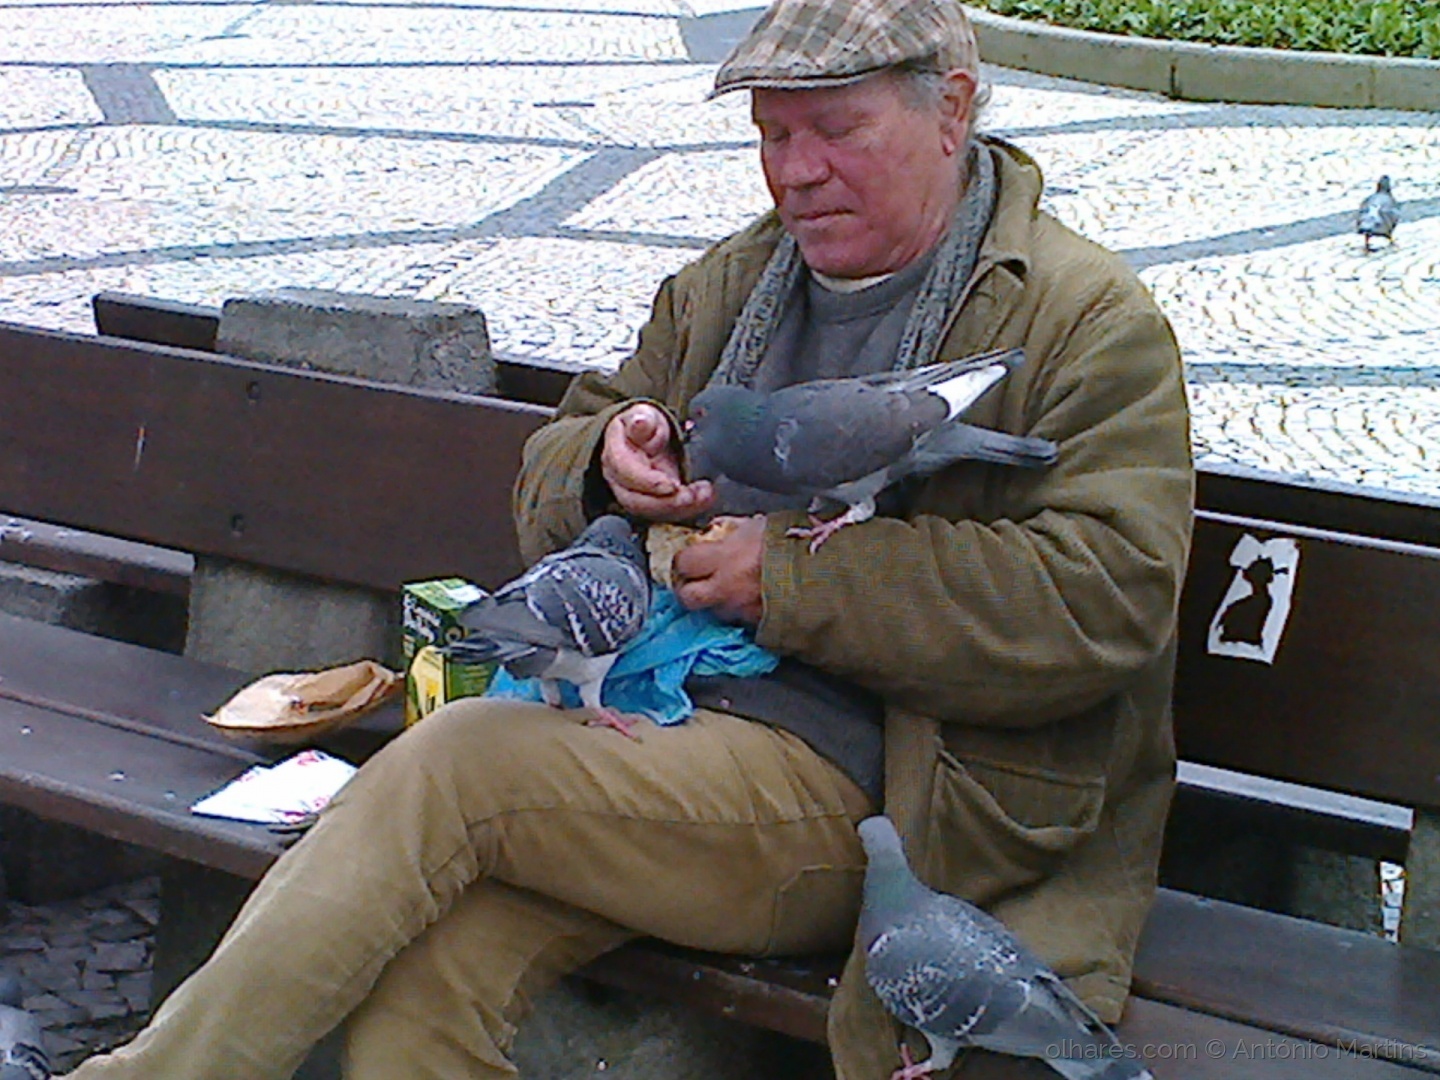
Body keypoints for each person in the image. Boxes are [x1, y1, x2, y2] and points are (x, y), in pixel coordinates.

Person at [53, 0, 1192, 1074]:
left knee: (456, 762)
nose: (796, 173)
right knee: (429, 987)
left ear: (953, 108)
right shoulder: (740, 284)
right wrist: (611, 461)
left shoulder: (1082, 324)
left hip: (910, 806)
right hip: (661, 742)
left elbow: (1107, 603)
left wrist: (785, 582)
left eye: (835, 131)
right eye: (771, 135)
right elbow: (561, 460)